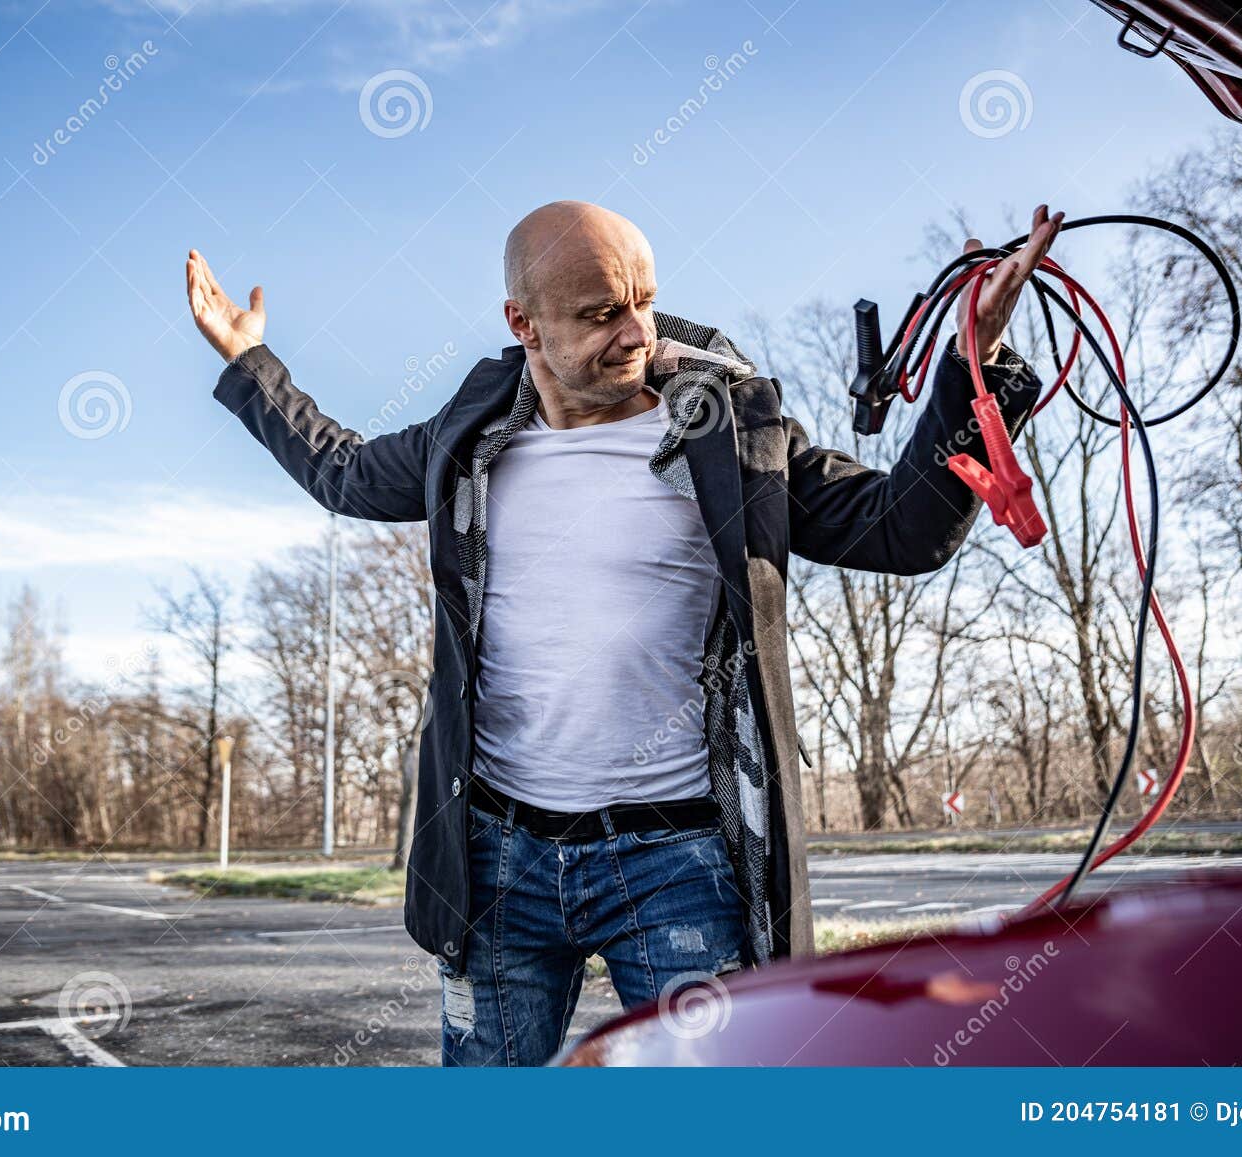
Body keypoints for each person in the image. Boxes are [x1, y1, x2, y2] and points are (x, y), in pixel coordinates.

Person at [185, 200, 1061, 1066]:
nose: (638, 330)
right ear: (523, 323)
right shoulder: (468, 435)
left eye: (644, 298)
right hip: (497, 860)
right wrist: (249, 359)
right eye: (602, 313)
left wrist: (971, 368)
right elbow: (341, 471)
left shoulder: (731, 434)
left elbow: (895, 528)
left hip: (679, 859)